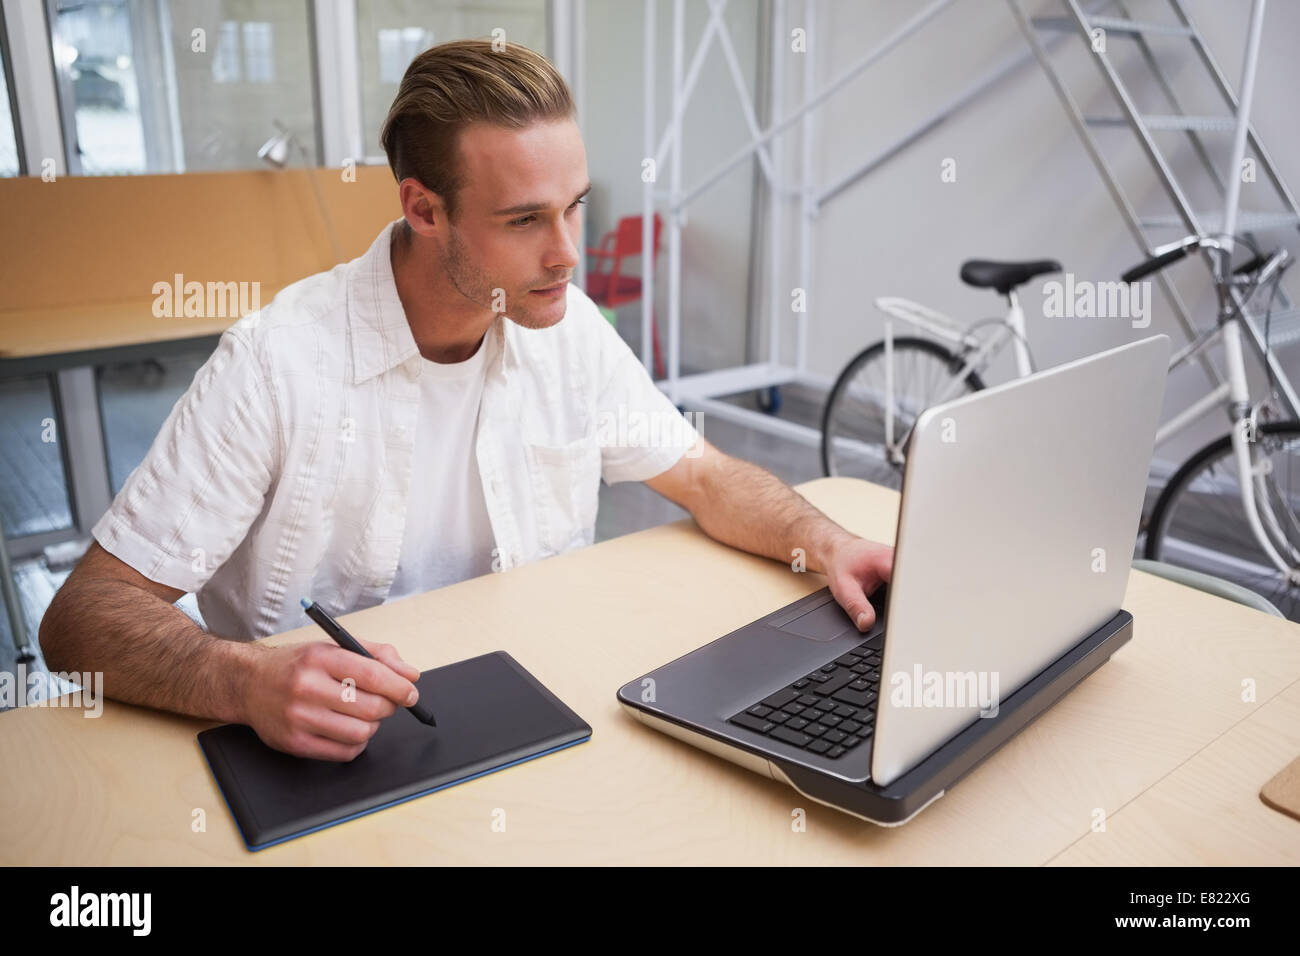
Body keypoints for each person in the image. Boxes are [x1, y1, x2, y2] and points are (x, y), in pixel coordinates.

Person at [40, 39, 893, 761]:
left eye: (575, 209)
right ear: (424, 208)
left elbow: (704, 478)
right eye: (525, 221)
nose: (569, 254)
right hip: (338, 753)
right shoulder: (275, 365)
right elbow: (81, 621)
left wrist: (821, 539)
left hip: (544, 711)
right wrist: (242, 679)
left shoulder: (567, 328)